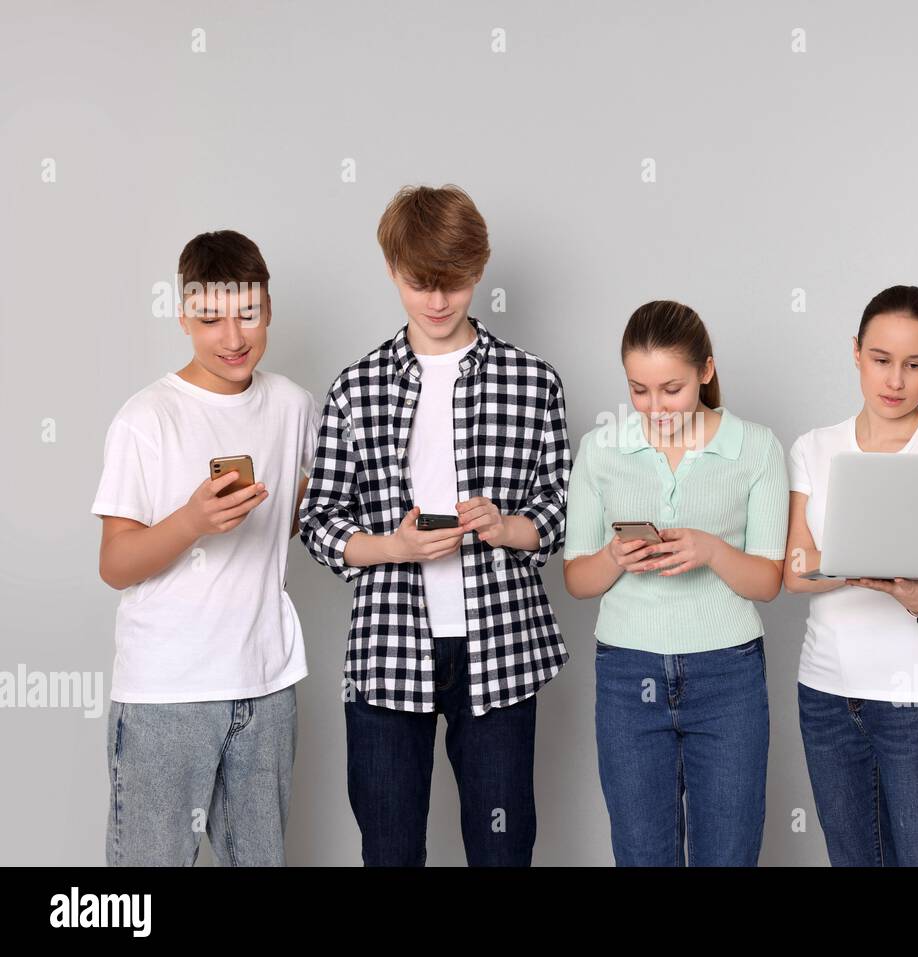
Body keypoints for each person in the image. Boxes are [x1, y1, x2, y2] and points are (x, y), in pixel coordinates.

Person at [298, 184, 570, 866]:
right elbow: (320, 519)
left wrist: (508, 527)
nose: (438, 300)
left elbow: (562, 509)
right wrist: (394, 545)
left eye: (452, 282)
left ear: (478, 271)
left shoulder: (533, 380)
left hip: (502, 649)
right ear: (393, 270)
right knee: (389, 851)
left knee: (503, 849)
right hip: (389, 653)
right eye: (421, 283)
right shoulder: (357, 386)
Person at [93, 230, 319, 866]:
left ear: (268, 308)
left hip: (267, 683)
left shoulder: (295, 406)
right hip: (168, 692)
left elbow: (304, 517)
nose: (234, 336)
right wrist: (191, 521)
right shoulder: (147, 417)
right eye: (212, 318)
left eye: (248, 313)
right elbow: (114, 564)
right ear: (183, 315)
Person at [562, 300, 788, 866]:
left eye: (672, 389)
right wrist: (615, 556)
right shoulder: (601, 450)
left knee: (729, 855)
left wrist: (711, 549)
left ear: (706, 372)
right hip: (627, 674)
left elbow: (767, 582)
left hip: (728, 674)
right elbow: (576, 580)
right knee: (641, 857)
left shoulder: (756, 447)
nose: (656, 407)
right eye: (639, 390)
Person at [784, 285, 918, 866]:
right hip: (828, 696)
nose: (895, 381)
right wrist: (861, 567)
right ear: (856, 353)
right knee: (853, 859)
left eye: (914, 365)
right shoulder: (815, 448)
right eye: (881, 360)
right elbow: (794, 572)